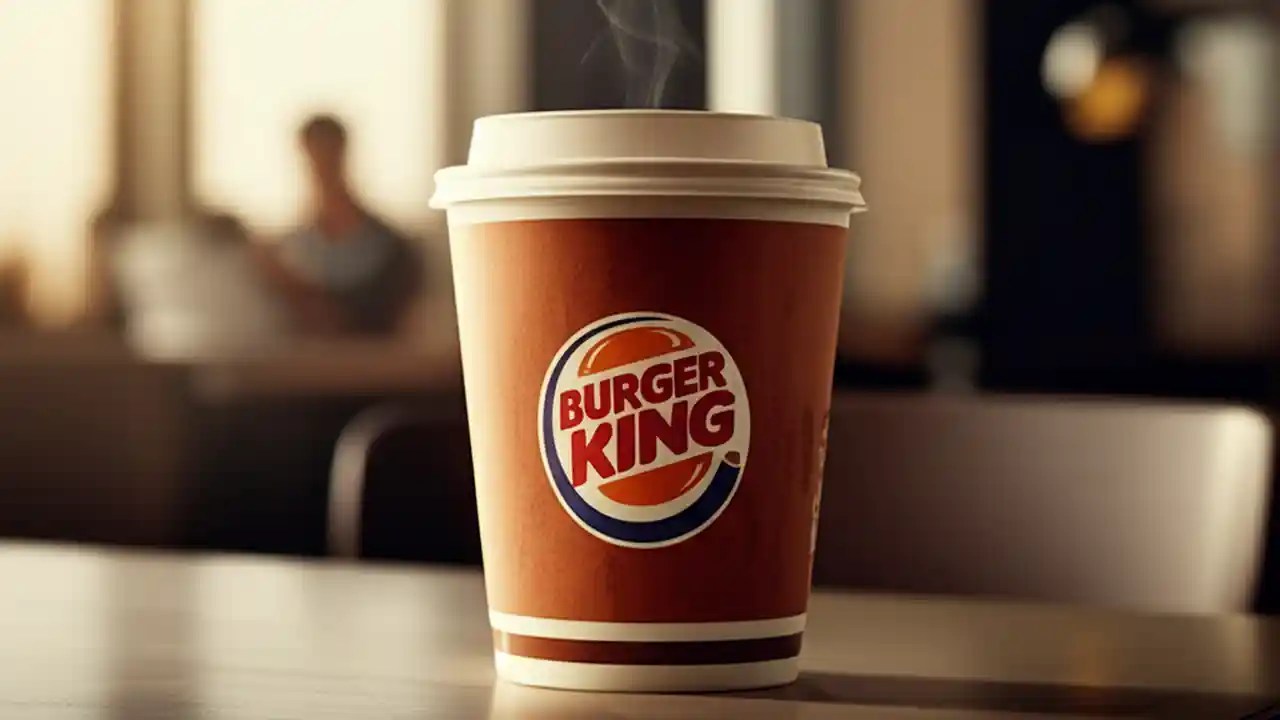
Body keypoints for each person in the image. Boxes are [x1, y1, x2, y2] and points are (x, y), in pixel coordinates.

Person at [261, 114, 421, 336]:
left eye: (328, 152)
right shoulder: (285, 252)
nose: (322, 164)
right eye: (316, 153)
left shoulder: (392, 249)